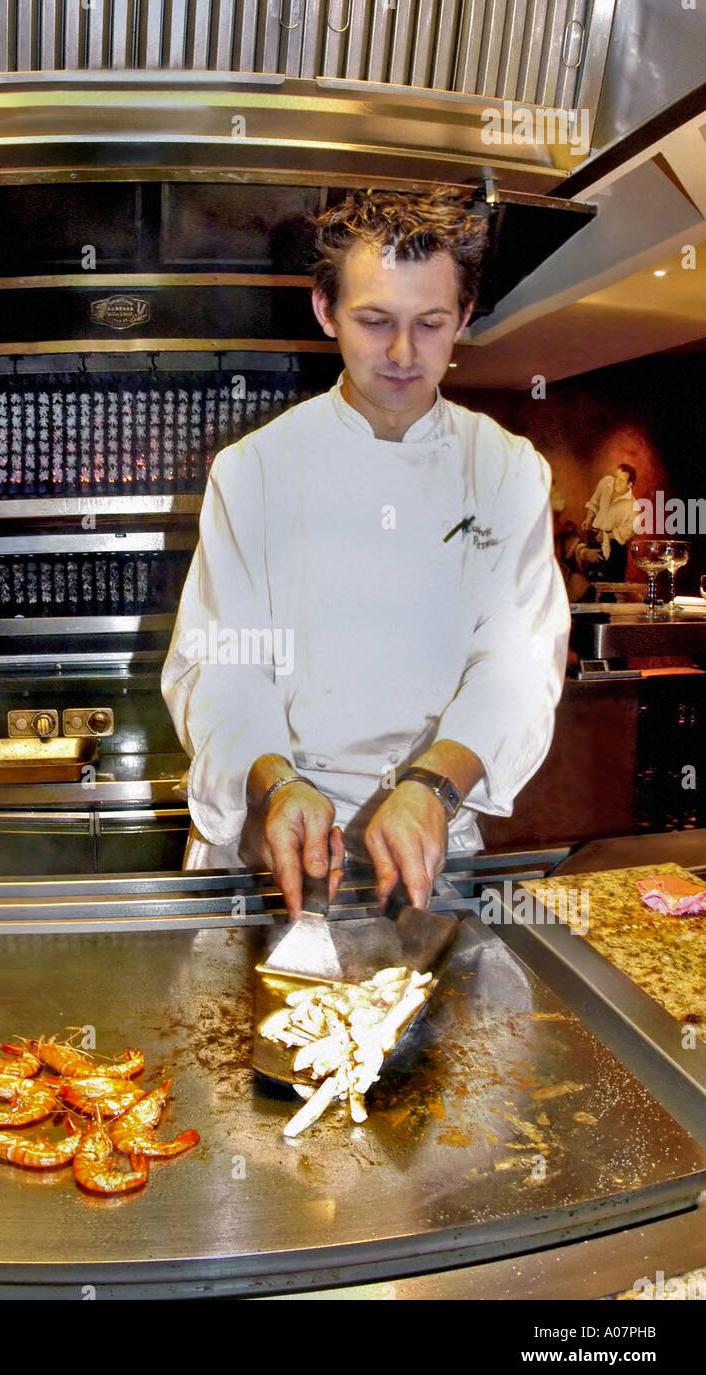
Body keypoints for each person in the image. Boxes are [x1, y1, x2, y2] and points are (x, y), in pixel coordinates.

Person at [161, 189, 570, 915]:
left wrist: (432, 786)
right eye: (374, 321)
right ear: (325, 311)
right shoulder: (254, 470)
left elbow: (515, 662)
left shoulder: (505, 469)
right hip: (272, 837)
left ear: (464, 317)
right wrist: (276, 784)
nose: (403, 355)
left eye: (430, 323)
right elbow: (224, 661)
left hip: (429, 833)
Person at [580, 464, 639, 581]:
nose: (616, 482)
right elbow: (594, 502)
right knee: (590, 583)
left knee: (611, 588)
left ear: (630, 484)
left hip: (615, 549)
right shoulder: (606, 482)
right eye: (616, 477)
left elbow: (626, 532)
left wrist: (607, 536)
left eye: (621, 480)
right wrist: (588, 518)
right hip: (594, 540)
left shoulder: (634, 507)